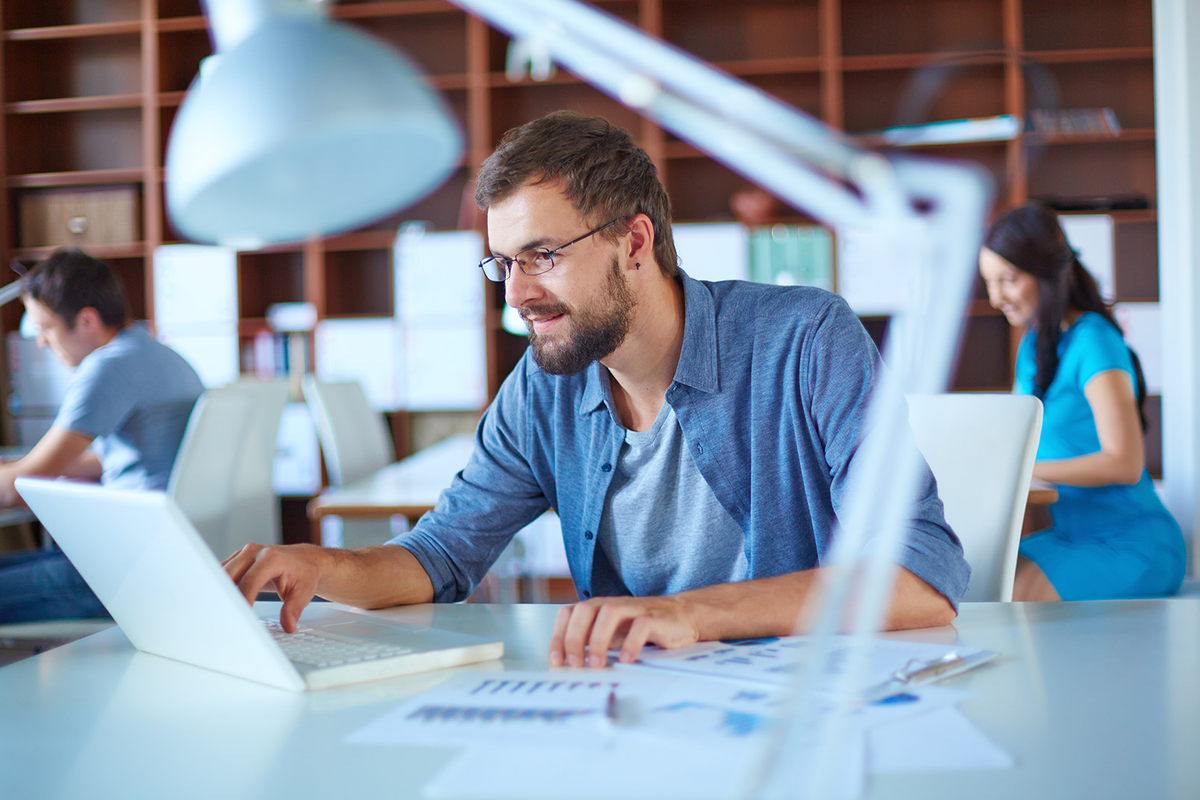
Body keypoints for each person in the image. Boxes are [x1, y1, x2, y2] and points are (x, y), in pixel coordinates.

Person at [225, 111, 970, 667]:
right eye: (503, 264)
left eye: (541, 256)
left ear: (634, 242)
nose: (516, 293)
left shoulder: (804, 338)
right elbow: (441, 556)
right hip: (639, 710)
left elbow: (918, 575)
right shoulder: (544, 390)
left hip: (809, 708)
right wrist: (325, 568)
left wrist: (690, 614)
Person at [979, 202, 1185, 601]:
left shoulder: (1093, 339)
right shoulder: (1033, 348)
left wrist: (1022, 469)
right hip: (1071, 536)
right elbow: (1012, 438)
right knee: (975, 576)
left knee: (1011, 593)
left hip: (1133, 543)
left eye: (1008, 279)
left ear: (1047, 273)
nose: (995, 297)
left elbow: (1125, 462)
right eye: (989, 283)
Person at [0, 250, 205, 623]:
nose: (42, 344)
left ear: (87, 320)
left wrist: (16, 473)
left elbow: (19, 487)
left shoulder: (108, 367)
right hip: (163, 555)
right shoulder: (160, 354)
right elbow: (134, 457)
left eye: (46, 329)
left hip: (125, 569)